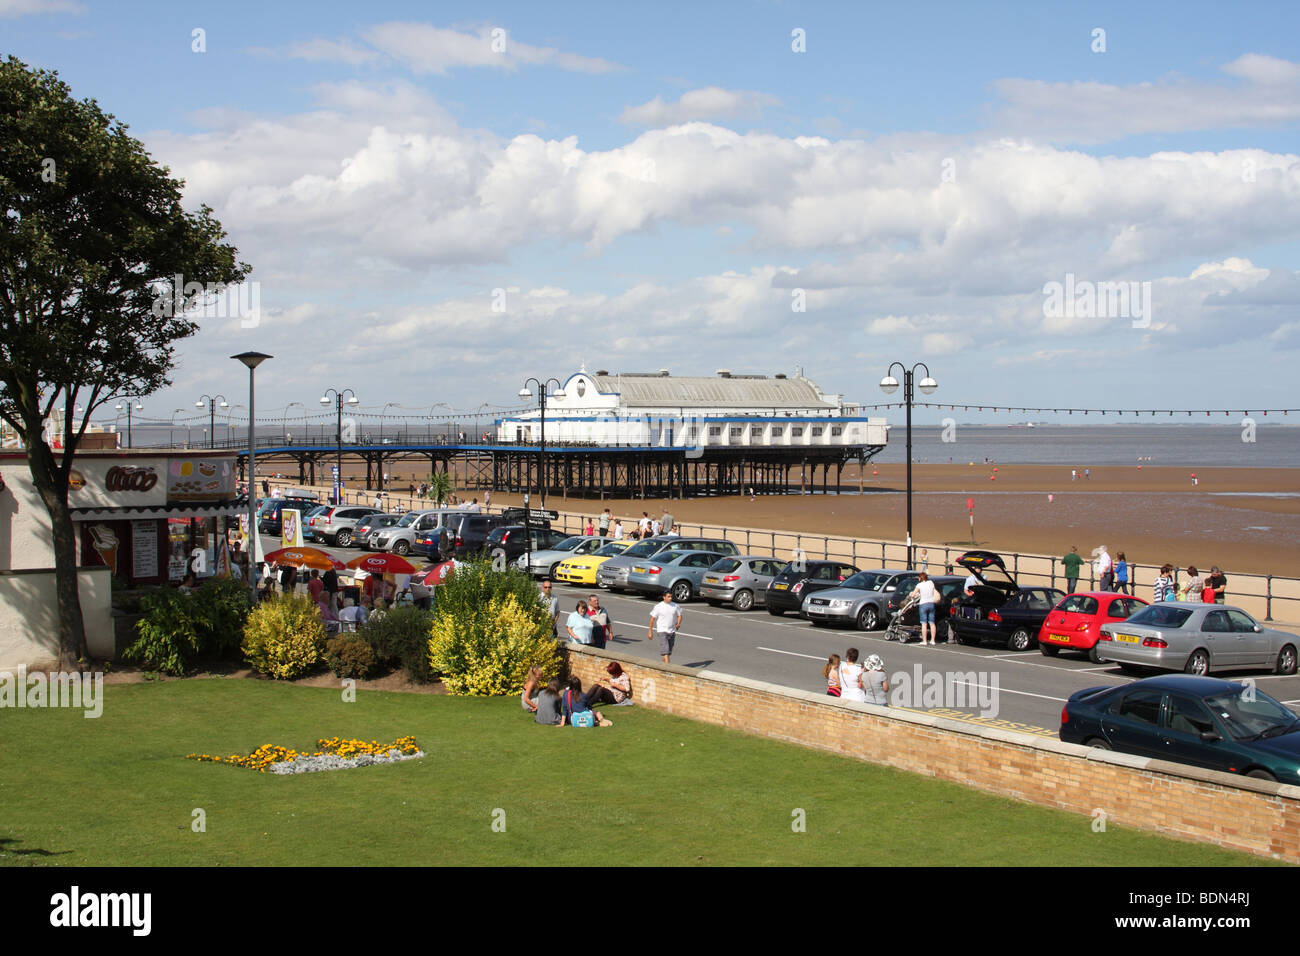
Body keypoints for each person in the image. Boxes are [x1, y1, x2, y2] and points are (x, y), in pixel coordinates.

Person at [648, 590, 682, 663]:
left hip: (672, 631)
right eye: (668, 597)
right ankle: (668, 670)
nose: (670, 598)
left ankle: (663, 668)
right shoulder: (658, 606)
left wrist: (678, 623)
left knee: (667, 653)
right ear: (664, 597)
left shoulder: (675, 606)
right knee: (665, 652)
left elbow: (679, 615)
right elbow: (652, 619)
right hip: (662, 631)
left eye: (671, 597)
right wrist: (650, 632)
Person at [915, 571, 939, 645]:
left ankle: (924, 641)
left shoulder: (919, 585)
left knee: (924, 624)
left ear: (920, 578)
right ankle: (932, 640)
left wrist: (913, 594)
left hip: (923, 604)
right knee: (932, 623)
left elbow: (913, 593)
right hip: (931, 603)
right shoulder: (931, 583)